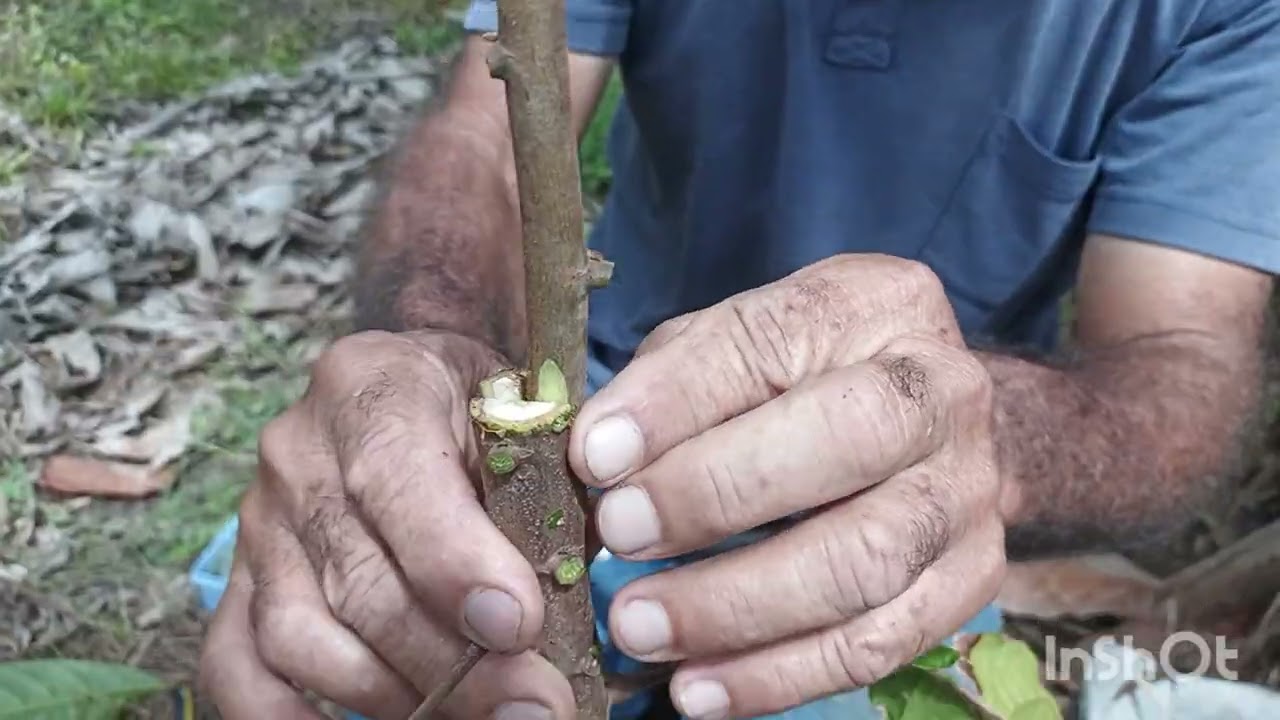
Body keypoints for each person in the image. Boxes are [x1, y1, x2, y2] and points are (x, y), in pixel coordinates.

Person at [199, 1, 1280, 718]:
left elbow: (1179, 371)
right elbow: (486, 132)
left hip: (905, 497)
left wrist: (966, 435)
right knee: (298, 623)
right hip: (597, 403)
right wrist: (434, 344)